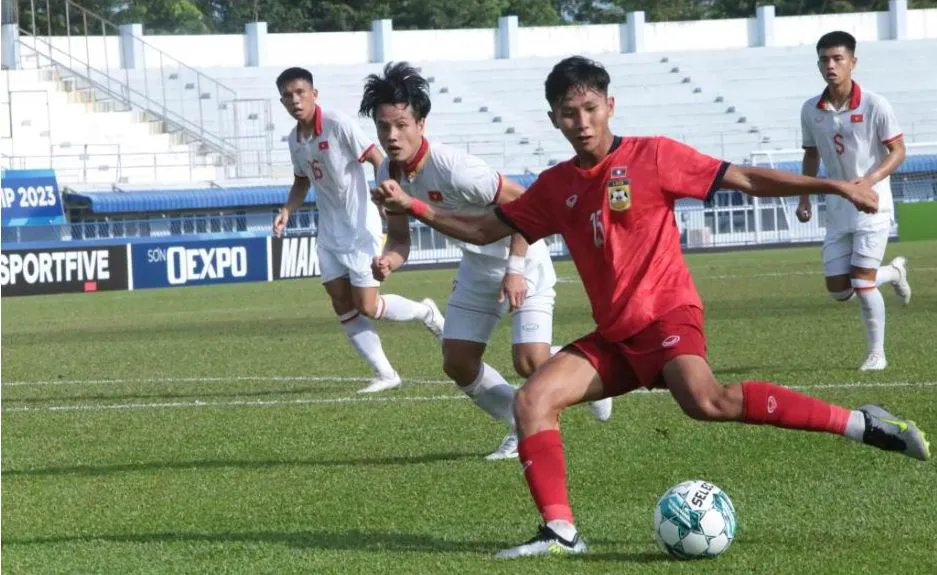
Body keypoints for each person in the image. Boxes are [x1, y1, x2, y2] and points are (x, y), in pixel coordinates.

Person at [371, 55, 930, 558]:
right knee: (534, 399)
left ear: (610, 106)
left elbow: (746, 178)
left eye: (590, 108)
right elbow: (482, 226)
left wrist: (835, 187)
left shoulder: (654, 156)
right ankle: (561, 533)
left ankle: (864, 424)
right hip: (616, 335)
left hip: (667, 315)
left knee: (705, 401)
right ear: (554, 120)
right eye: (569, 113)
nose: (582, 121)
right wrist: (415, 208)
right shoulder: (555, 185)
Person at [359, 62, 613, 460]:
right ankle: (519, 422)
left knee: (531, 363)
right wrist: (389, 261)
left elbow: (523, 205)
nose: (392, 135)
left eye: (402, 124)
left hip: (523, 260)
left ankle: (584, 366)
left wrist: (514, 271)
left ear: (421, 123)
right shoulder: (387, 175)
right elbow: (402, 238)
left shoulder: (456, 169)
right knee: (458, 363)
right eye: (383, 126)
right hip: (477, 269)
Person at [273, 66, 444, 394]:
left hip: (359, 226)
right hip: (329, 231)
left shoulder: (338, 124)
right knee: (340, 300)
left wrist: (387, 191)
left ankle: (425, 311)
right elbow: (300, 180)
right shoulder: (295, 140)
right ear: (282, 102)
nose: (295, 100)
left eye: (300, 92)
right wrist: (287, 209)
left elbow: (376, 156)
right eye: (288, 96)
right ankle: (385, 373)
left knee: (368, 305)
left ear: (314, 94)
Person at [796, 30, 911, 371]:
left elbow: (899, 150)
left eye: (837, 58)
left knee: (861, 283)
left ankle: (877, 354)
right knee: (838, 290)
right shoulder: (810, 110)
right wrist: (803, 196)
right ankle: (893, 272)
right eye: (824, 60)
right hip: (836, 210)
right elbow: (811, 155)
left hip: (874, 205)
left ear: (853, 62)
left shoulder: (875, 104)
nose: (830, 66)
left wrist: (870, 181)